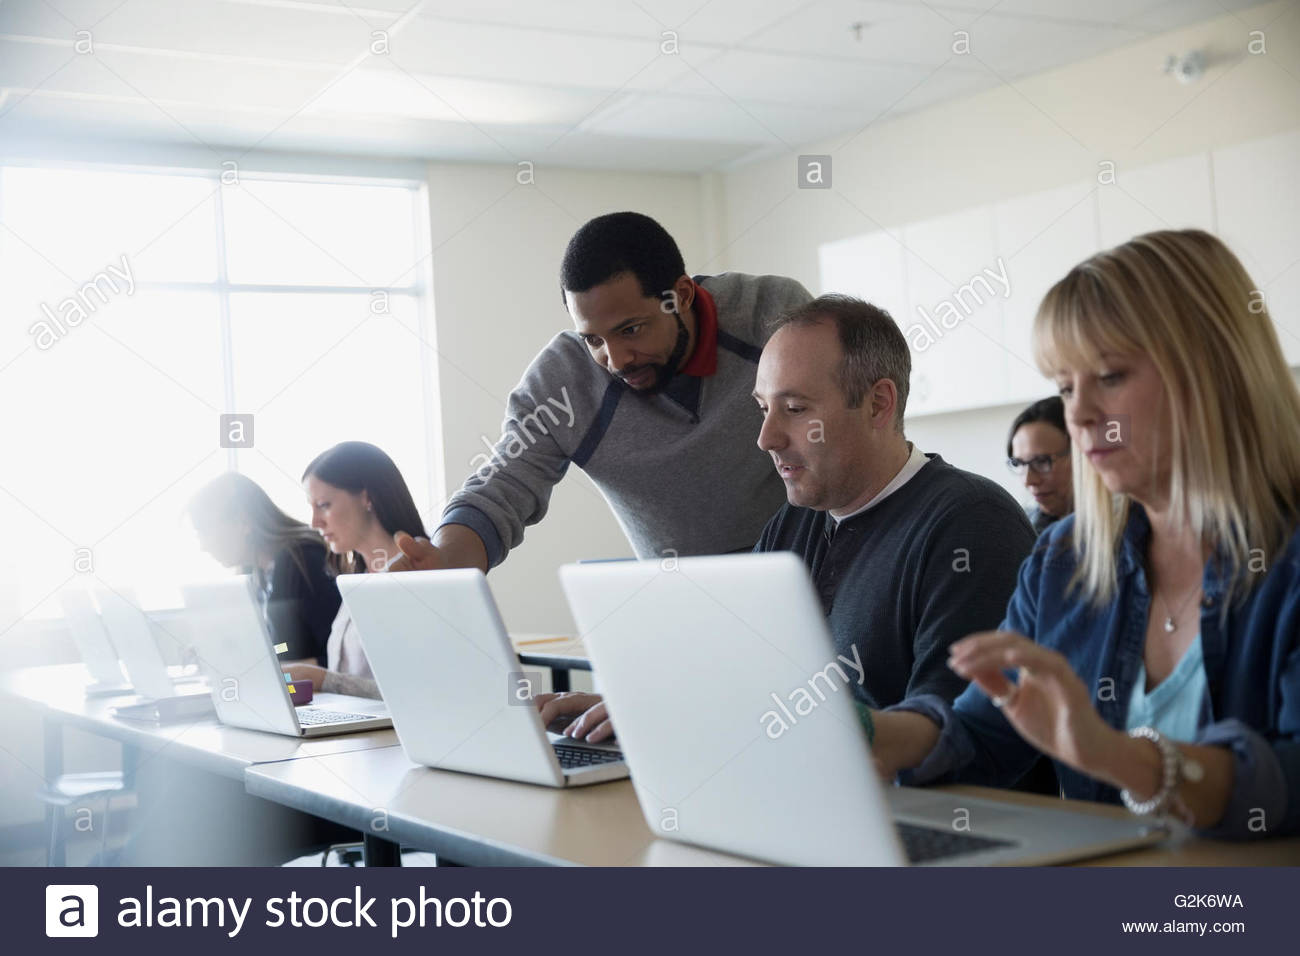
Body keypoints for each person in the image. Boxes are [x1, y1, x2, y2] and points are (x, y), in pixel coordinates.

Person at [869, 229, 1300, 839]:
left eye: (1111, 375)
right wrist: (867, 732)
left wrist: (1117, 755)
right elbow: (987, 730)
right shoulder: (1063, 558)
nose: (1078, 414)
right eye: (1066, 387)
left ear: (1214, 370)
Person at [538, 295, 1037, 745]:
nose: (767, 438)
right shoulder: (792, 525)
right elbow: (741, 676)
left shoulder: (971, 525)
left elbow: (955, 737)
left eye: (795, 409)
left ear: (878, 404)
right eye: (763, 409)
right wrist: (649, 710)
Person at [391, 211, 812, 574]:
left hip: (820, 575)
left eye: (631, 329)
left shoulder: (769, 316)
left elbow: (849, 429)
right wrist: (445, 559)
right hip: (686, 604)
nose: (616, 359)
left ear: (680, 296)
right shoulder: (565, 382)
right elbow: (502, 485)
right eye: (593, 339)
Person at [282, 441, 426, 699]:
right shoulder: (358, 579)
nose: (314, 522)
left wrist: (323, 679)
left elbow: (421, 693)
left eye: (324, 505)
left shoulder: (419, 574)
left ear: (367, 497)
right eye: (311, 507)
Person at [186, 472, 339, 665]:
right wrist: (220, 650)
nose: (203, 545)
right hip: (296, 687)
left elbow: (336, 654)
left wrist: (280, 670)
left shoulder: (302, 561)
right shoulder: (258, 574)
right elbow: (282, 647)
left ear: (242, 522)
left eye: (205, 531)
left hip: (314, 691)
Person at [1007, 396, 1074, 534]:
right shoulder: (1024, 529)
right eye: (1018, 463)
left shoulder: (1123, 533)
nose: (1028, 480)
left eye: (1041, 461)